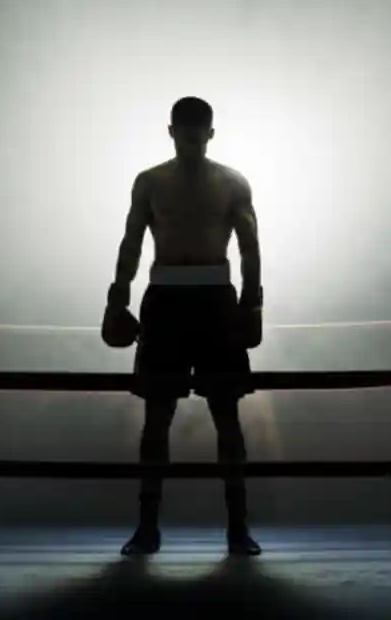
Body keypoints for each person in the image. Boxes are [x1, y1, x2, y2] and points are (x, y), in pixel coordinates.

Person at [101, 96, 263, 556]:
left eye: (199, 135)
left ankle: (238, 528)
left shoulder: (233, 183)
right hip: (167, 299)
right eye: (184, 134)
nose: (191, 143)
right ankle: (147, 526)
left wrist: (252, 305)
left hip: (214, 300)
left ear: (210, 134)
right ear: (170, 131)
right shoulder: (149, 183)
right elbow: (131, 241)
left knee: (226, 415)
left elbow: (250, 247)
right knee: (157, 417)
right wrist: (117, 299)